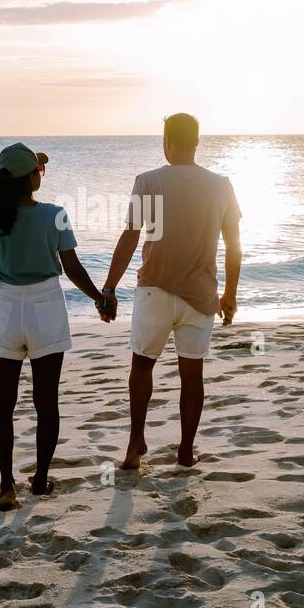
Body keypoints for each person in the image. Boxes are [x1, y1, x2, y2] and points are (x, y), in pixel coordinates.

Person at [0, 143, 112, 509]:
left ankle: (5, 486)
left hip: (4, 308)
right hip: (47, 306)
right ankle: (41, 479)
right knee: (46, 402)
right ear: (30, 177)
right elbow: (72, 268)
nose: (40, 174)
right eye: (39, 170)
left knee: (2, 405)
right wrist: (99, 298)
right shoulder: (56, 214)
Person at [102, 113, 242, 470]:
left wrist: (109, 286)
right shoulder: (220, 185)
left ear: (166, 141)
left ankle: (135, 443)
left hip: (154, 290)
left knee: (141, 365)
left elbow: (131, 236)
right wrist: (230, 295)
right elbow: (234, 245)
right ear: (197, 142)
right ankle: (185, 450)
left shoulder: (148, 181)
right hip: (200, 293)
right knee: (192, 374)